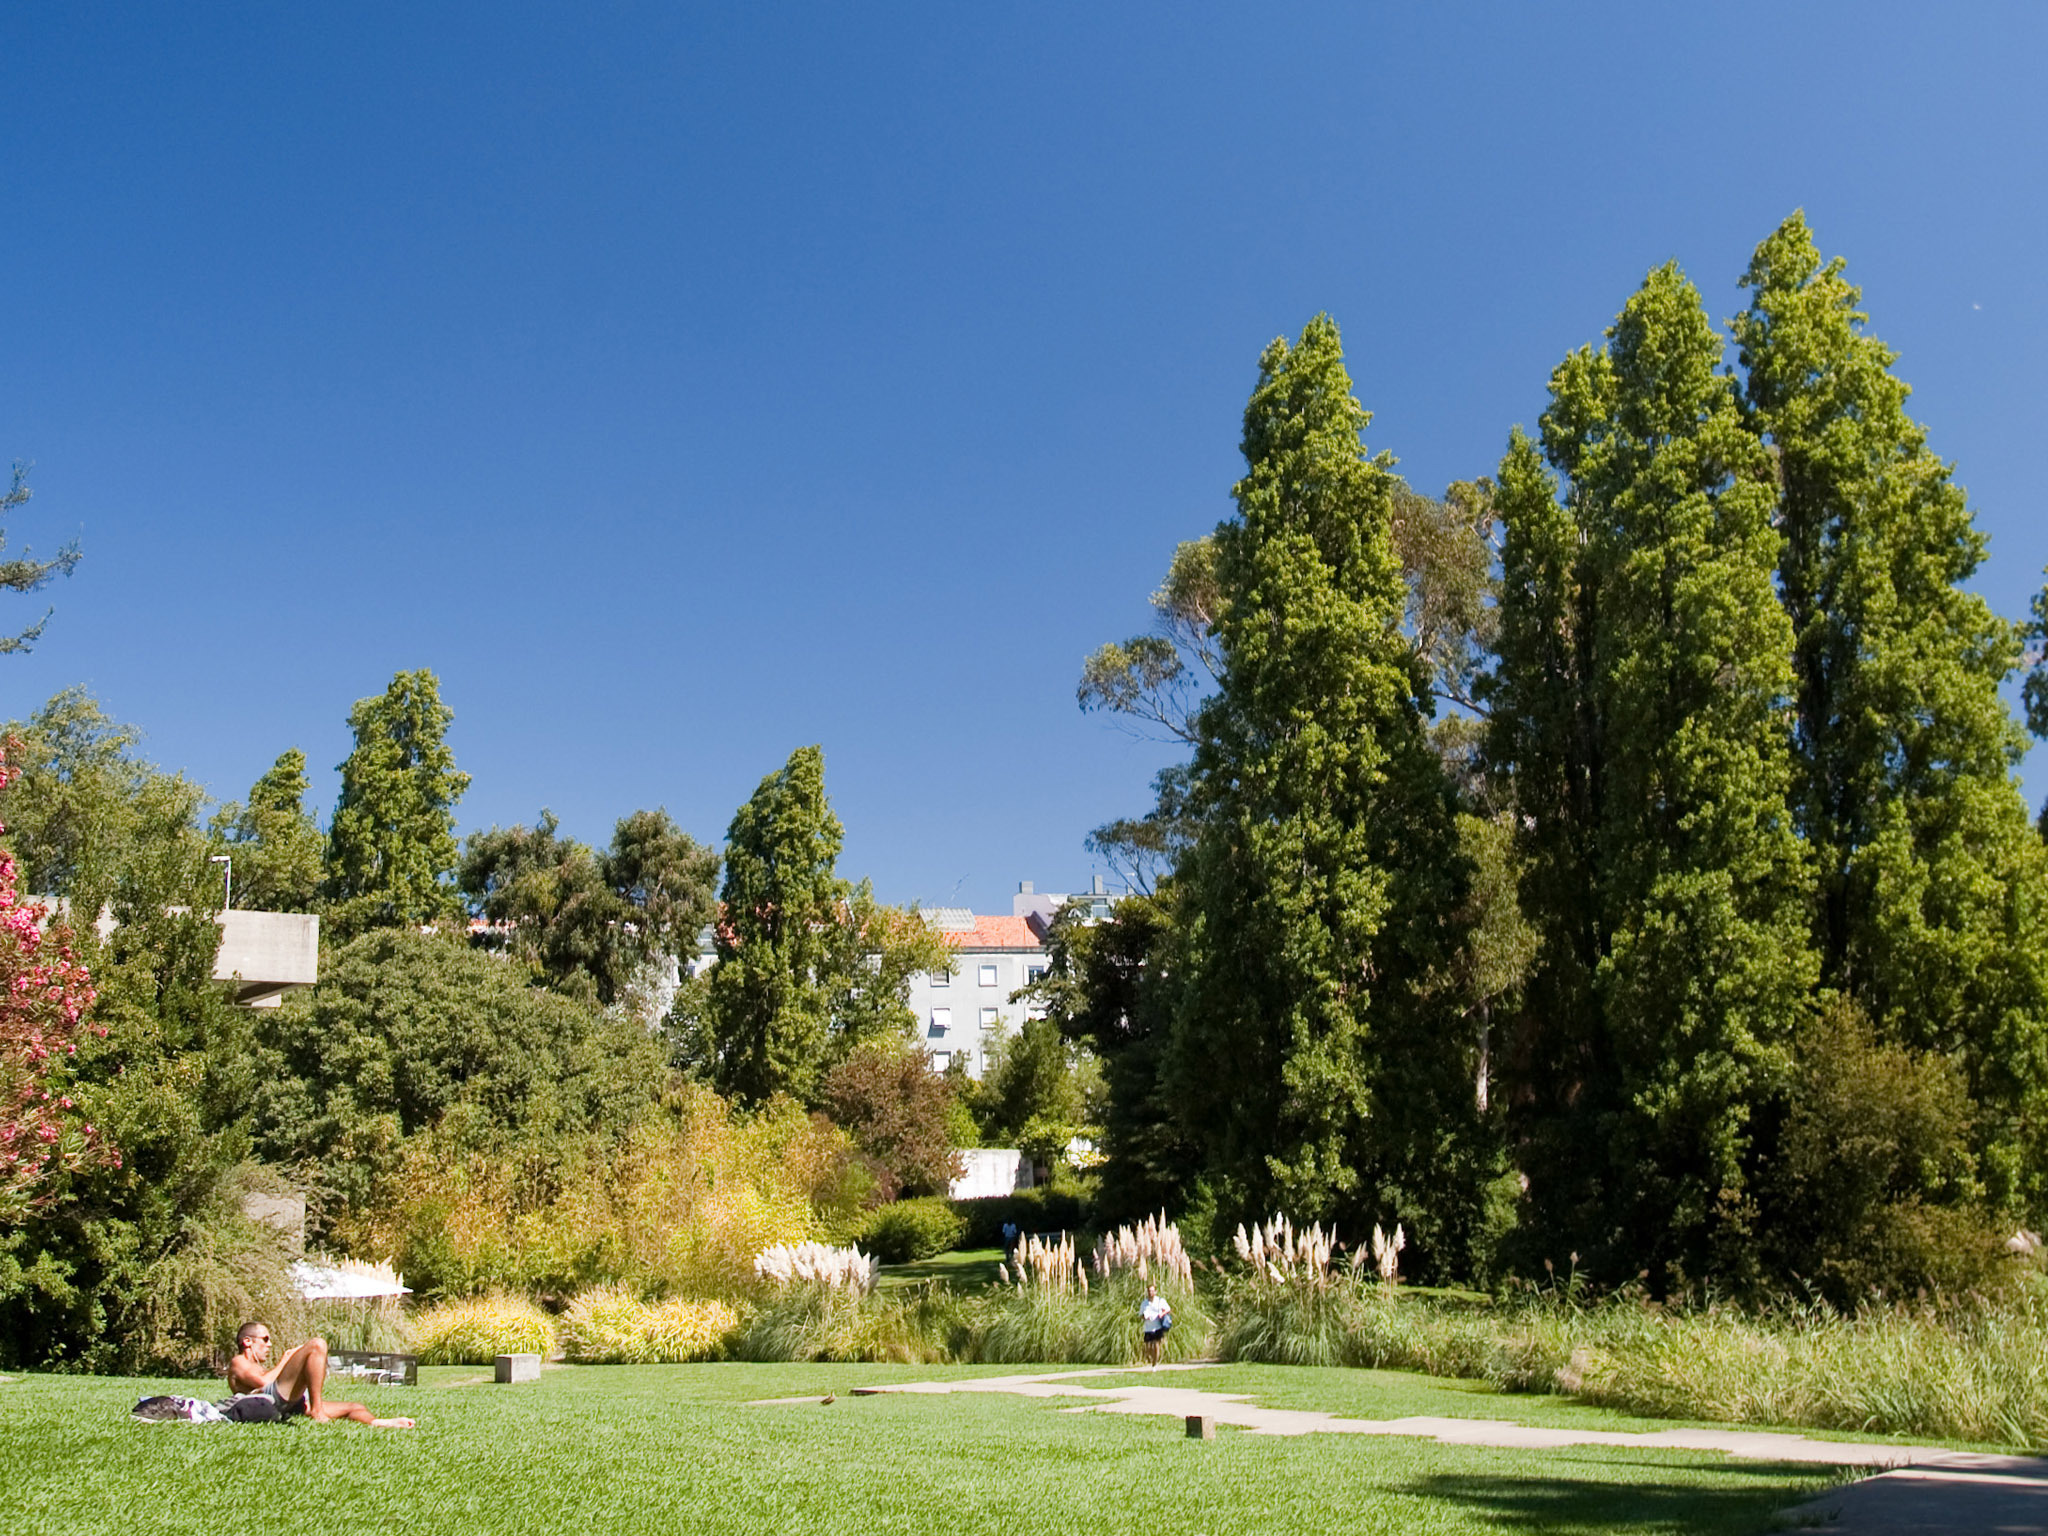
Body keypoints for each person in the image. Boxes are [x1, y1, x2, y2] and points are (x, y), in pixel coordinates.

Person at [229, 1322, 415, 1427]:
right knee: (317, 1345)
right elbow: (262, 1382)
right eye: (265, 1339)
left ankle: (380, 1423)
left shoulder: (256, 1364)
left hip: (289, 1404)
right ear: (247, 1341)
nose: (269, 1344)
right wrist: (286, 1359)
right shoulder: (238, 1362)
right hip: (265, 1400)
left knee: (354, 1406)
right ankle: (317, 1410)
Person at [1138, 1283, 1172, 1369]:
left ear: (1155, 1292)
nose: (1151, 1293)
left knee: (1156, 1345)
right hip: (1148, 1327)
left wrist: (1162, 1314)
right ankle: (1151, 1359)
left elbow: (1168, 1309)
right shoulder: (1144, 1303)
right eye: (1149, 1291)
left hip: (1158, 1327)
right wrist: (1145, 1317)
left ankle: (1154, 1364)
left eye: (1152, 1291)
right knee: (1148, 1347)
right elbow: (1140, 1315)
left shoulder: (1160, 1301)